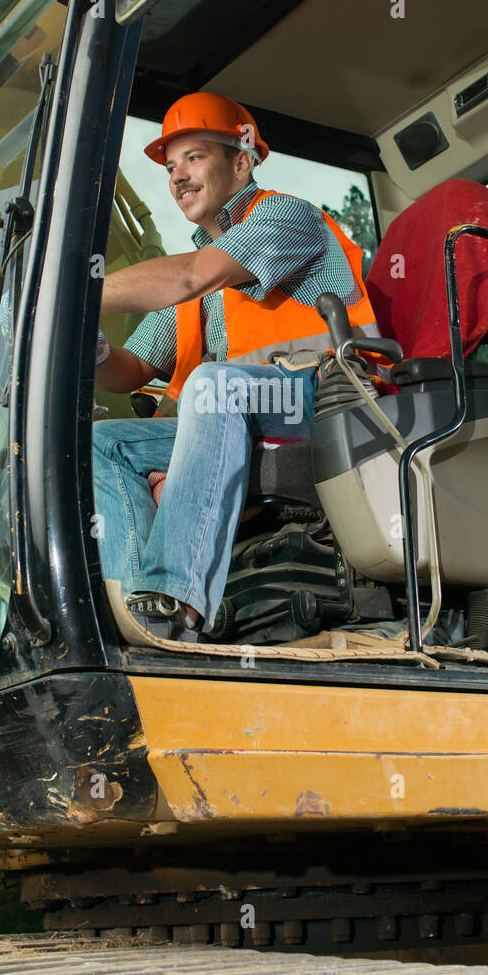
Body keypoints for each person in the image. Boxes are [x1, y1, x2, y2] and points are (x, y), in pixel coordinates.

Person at [93, 92, 377, 642]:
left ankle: (177, 598)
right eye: (170, 167)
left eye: (194, 157)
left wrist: (76, 294)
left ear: (242, 162)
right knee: (107, 442)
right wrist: (98, 351)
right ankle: (134, 612)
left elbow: (189, 276)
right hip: (234, 412)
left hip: (327, 401)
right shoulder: (196, 284)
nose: (177, 177)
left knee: (211, 387)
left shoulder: (285, 216)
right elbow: (130, 371)